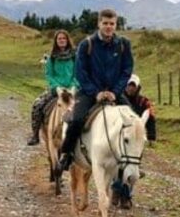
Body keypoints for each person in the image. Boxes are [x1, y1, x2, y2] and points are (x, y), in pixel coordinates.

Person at [57, 9, 133, 171]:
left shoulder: (123, 45)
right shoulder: (87, 44)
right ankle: (67, 153)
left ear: (115, 25)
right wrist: (95, 92)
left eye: (111, 24)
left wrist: (115, 91)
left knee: (134, 120)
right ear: (99, 23)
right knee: (76, 119)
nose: (108, 27)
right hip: (89, 92)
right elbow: (80, 72)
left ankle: (133, 160)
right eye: (105, 23)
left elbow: (127, 70)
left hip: (115, 92)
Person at [27, 30, 78, 145]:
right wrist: (57, 88)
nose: (62, 40)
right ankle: (35, 135)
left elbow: (77, 74)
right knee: (37, 105)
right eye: (59, 39)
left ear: (67, 40)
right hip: (56, 89)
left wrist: (73, 86)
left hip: (73, 88)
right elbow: (49, 75)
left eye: (64, 38)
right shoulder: (52, 58)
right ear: (56, 41)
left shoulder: (75, 57)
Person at [124, 74, 157, 144]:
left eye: (133, 86)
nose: (131, 88)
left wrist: (151, 136)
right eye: (129, 85)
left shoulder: (144, 102)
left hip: (137, 134)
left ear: (138, 87)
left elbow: (151, 118)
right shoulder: (118, 100)